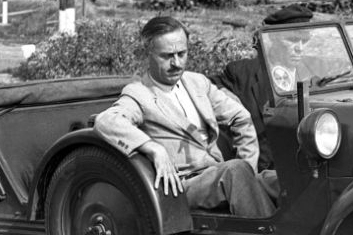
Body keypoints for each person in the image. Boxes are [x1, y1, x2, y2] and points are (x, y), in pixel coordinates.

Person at [94, 15, 276, 218]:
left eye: (182, 53)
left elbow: (240, 117)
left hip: (217, 173)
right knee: (235, 172)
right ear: (147, 55)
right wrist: (154, 149)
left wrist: (248, 167)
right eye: (167, 56)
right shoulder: (139, 93)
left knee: (277, 180)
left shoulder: (197, 82)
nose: (177, 63)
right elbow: (107, 121)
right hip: (181, 186)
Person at [212, 4, 313, 170]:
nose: (300, 48)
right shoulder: (242, 72)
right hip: (259, 172)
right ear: (272, 38)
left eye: (304, 41)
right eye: (292, 40)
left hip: (304, 169)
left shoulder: (314, 72)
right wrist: (230, 100)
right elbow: (205, 86)